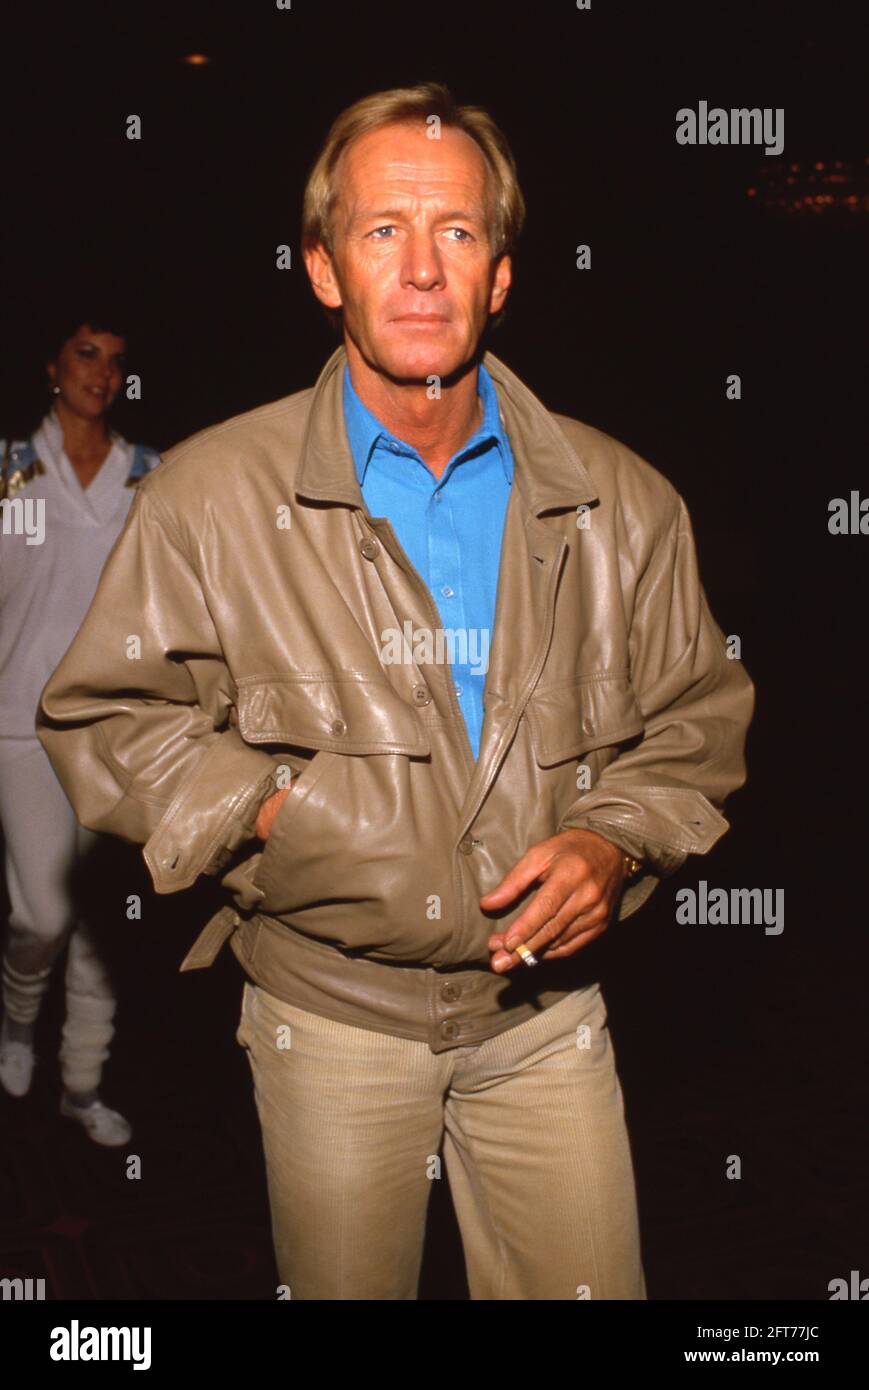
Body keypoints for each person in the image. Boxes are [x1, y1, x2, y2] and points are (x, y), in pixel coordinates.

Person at [36, 84, 755, 1294]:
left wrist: (613, 843)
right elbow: (107, 718)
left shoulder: (622, 503)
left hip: (546, 1020)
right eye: (382, 231)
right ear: (322, 269)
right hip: (329, 1024)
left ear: (502, 273)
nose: (421, 268)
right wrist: (280, 814)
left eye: (457, 233)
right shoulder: (211, 498)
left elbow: (696, 717)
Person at [0, 314, 159, 1145]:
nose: (102, 373)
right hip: (20, 723)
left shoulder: (150, 476)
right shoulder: (8, 470)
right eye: (87, 354)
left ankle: (82, 1085)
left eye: (117, 361)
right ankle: (18, 1015)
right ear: (52, 365)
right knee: (43, 917)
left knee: (103, 924)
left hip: (118, 731)